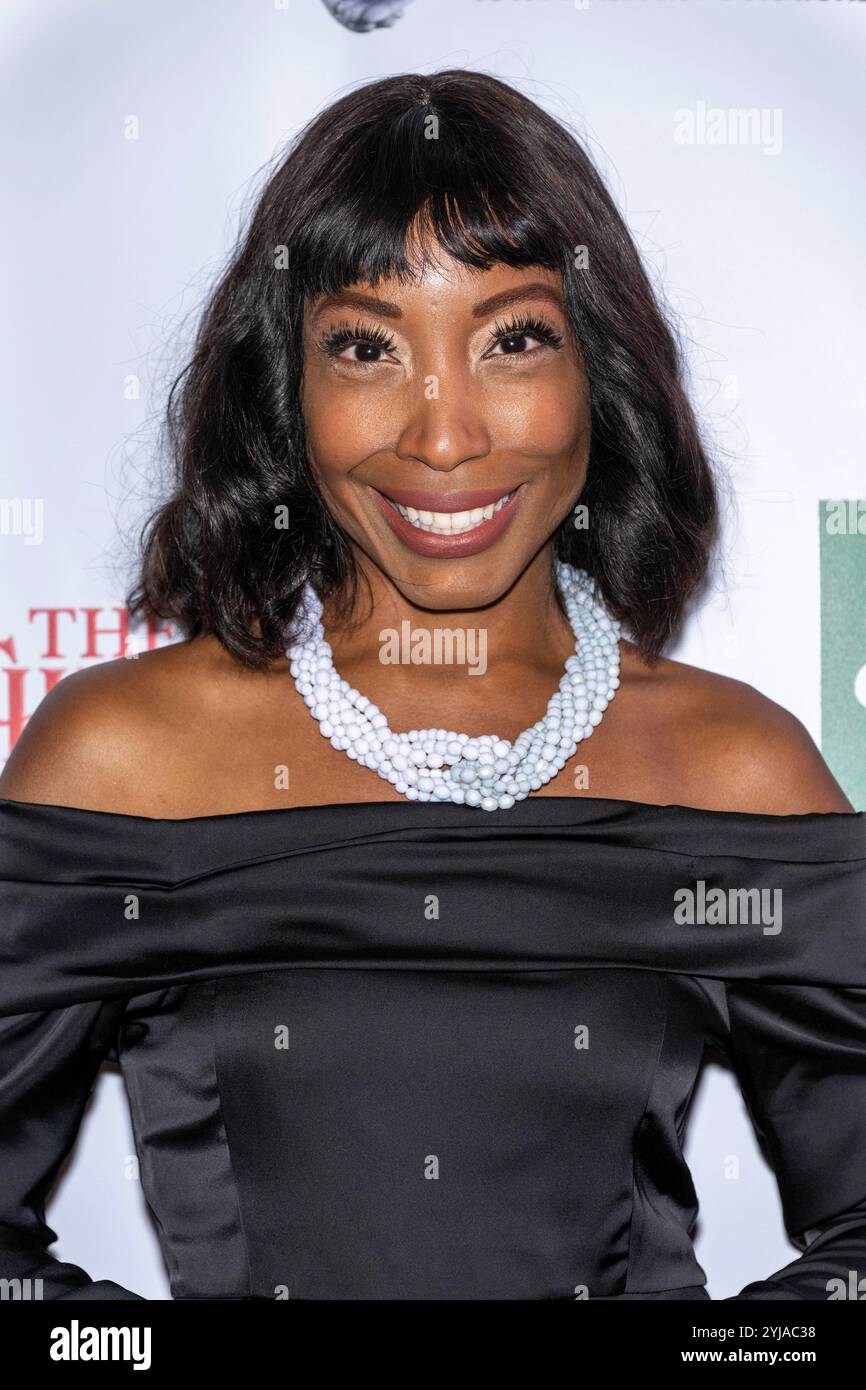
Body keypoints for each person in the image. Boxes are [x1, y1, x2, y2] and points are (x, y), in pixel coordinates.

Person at [1, 70, 864, 1301]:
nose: (444, 434)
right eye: (364, 346)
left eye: (512, 337)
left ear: (596, 372)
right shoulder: (124, 759)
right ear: (284, 387)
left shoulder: (731, 770)